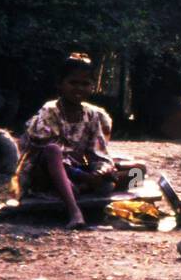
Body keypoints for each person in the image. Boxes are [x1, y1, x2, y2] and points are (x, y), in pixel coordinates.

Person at [13, 52, 143, 229]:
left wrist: (101, 170)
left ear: (92, 87)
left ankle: (81, 188)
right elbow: (45, 153)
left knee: (138, 170)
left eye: (85, 84)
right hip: (47, 173)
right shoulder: (50, 111)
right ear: (60, 84)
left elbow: (98, 152)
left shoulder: (94, 114)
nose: (79, 88)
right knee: (52, 150)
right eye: (73, 83)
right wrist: (82, 175)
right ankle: (74, 211)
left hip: (79, 172)